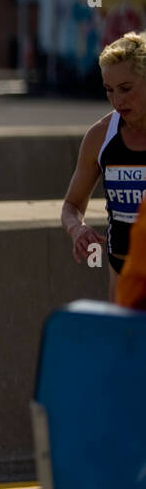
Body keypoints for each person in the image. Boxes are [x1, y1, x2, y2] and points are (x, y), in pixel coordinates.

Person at [62, 32, 146, 300]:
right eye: (109, 90)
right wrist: (78, 229)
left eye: (126, 88)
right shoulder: (101, 135)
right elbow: (71, 206)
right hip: (122, 279)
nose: (117, 100)